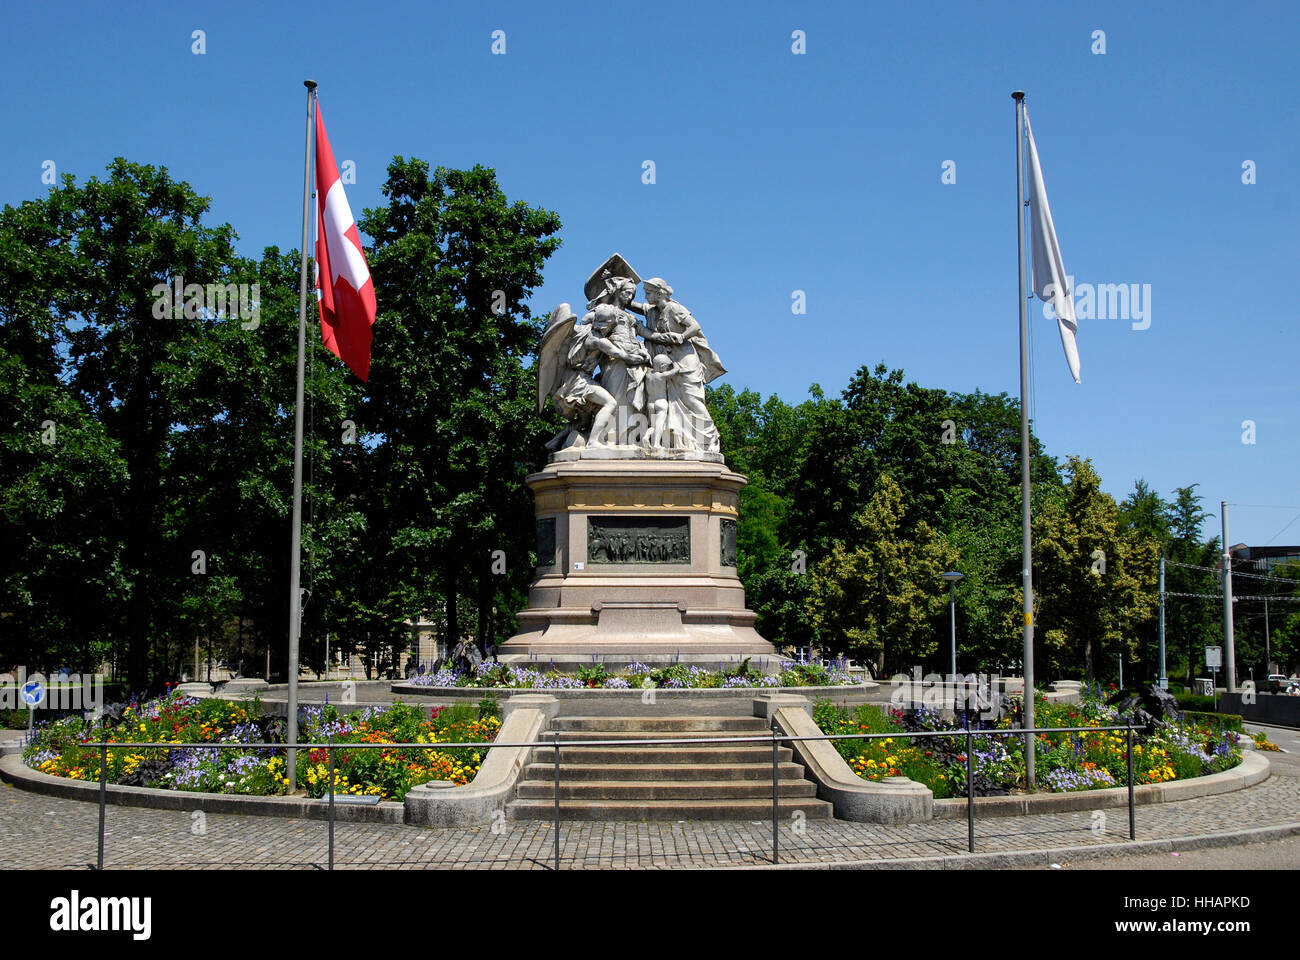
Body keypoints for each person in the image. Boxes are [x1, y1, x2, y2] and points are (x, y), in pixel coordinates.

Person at [628, 278, 724, 452]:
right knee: (668, 400)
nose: (646, 296)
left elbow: (694, 326)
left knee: (692, 400)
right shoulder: (652, 310)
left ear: (659, 293)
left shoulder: (674, 308)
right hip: (667, 361)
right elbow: (633, 305)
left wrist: (681, 336)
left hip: (684, 361)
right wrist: (617, 290)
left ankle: (709, 438)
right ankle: (676, 440)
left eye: (648, 293)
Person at [644, 353, 683, 448]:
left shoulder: (648, 375)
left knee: (653, 425)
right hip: (661, 402)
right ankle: (656, 444)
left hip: (650, 403)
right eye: (666, 366)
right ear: (661, 366)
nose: (667, 368)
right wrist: (674, 362)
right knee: (659, 424)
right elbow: (676, 370)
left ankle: (646, 436)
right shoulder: (662, 376)